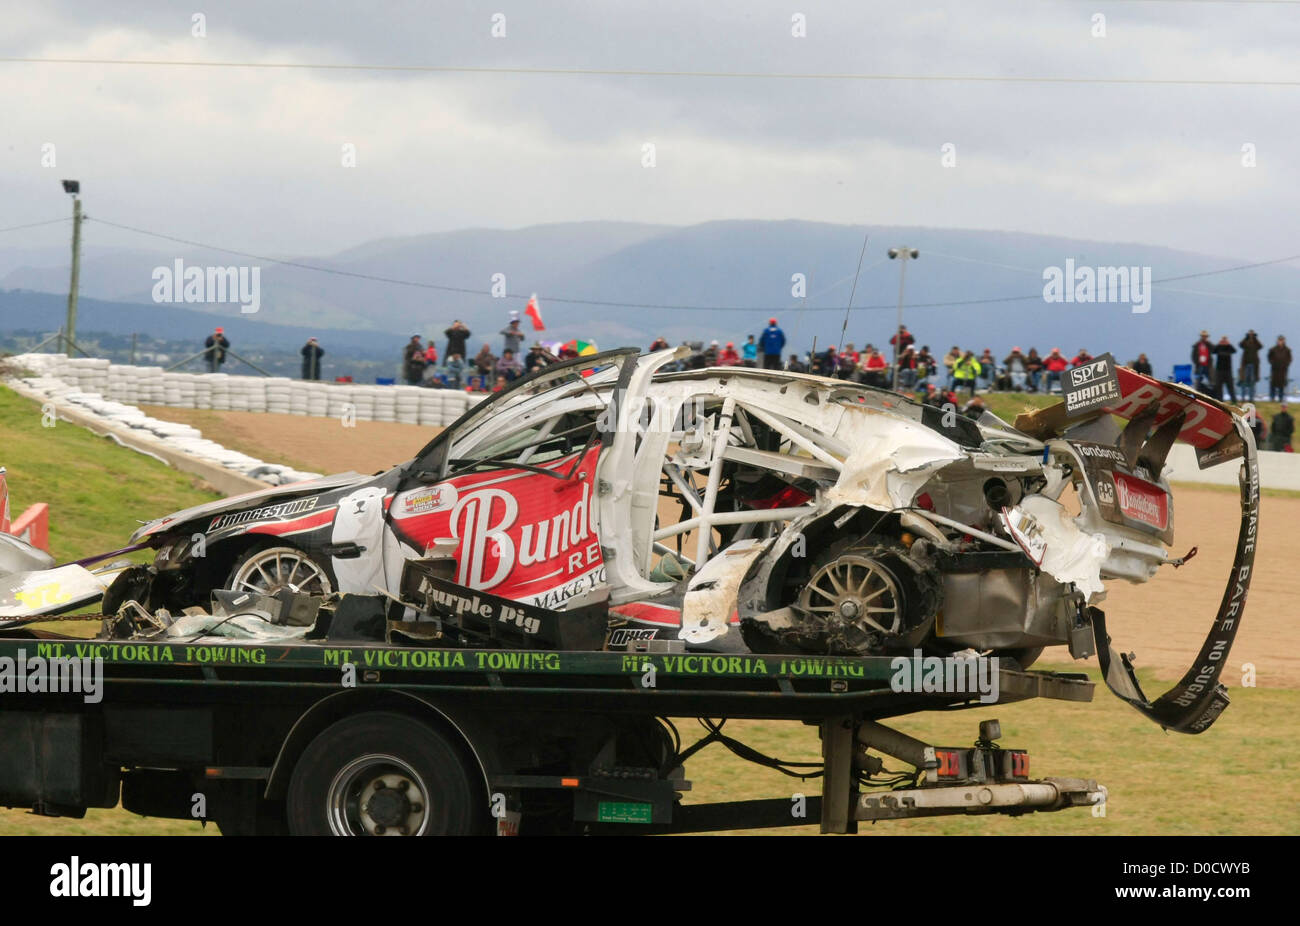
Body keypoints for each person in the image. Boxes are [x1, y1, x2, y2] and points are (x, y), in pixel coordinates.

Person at [1239, 330, 1264, 401]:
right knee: (1244, 382)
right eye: (1250, 334)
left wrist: (1255, 338)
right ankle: (1243, 397)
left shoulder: (1256, 343)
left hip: (1253, 365)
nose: (1251, 335)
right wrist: (1246, 338)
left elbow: (1261, 346)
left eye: (1252, 334)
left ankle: (1251, 398)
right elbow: (1240, 344)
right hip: (1245, 365)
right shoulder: (1245, 342)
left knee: (1252, 382)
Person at [1212, 335, 1237, 402]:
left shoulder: (1229, 347)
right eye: (1223, 339)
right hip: (1219, 370)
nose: (1224, 341)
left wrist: (1229, 344)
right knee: (1219, 387)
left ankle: (1234, 400)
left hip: (1227, 370)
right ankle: (1220, 401)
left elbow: (1234, 351)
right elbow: (1213, 351)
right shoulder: (1219, 347)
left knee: (1230, 387)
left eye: (1225, 339)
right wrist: (1219, 344)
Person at [1268, 335, 1291, 403]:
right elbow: (1269, 357)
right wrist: (1272, 363)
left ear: (1284, 341)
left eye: (1282, 340)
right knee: (1273, 384)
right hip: (1275, 369)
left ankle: (1280, 398)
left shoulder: (1287, 350)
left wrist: (1286, 364)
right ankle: (1272, 398)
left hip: (1283, 370)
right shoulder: (1273, 349)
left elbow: (1289, 358)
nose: (1280, 341)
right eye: (1279, 340)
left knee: (1282, 385)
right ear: (1277, 341)